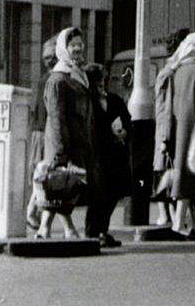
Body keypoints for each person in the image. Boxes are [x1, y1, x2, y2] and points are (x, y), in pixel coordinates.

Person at [35, 27, 98, 239]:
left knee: (64, 184)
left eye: (80, 44)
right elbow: (55, 117)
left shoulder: (76, 73)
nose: (78, 48)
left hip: (76, 139)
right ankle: (58, 229)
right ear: (64, 48)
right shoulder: (58, 79)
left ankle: (51, 228)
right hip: (63, 139)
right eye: (73, 45)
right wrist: (61, 148)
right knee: (62, 183)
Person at [84, 63, 131, 247]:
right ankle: (92, 233)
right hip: (97, 155)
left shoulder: (115, 100)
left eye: (103, 78)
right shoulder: (88, 102)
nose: (101, 83)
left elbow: (127, 120)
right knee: (98, 194)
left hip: (116, 155)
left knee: (113, 193)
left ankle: (103, 230)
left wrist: (125, 132)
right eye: (96, 80)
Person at [167, 32, 195, 238]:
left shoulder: (179, 71)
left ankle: (194, 223)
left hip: (180, 126)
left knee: (183, 172)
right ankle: (179, 222)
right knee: (193, 176)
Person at [152, 27, 191, 227]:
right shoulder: (170, 73)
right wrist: (165, 137)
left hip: (166, 127)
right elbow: (165, 108)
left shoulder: (170, 71)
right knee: (165, 170)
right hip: (167, 127)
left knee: (166, 171)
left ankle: (168, 214)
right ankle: (166, 215)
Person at [25, 37, 58, 229]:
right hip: (43, 133)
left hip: (41, 132)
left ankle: (34, 213)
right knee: (44, 174)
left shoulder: (46, 79)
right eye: (46, 58)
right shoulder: (48, 80)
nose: (49, 61)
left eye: (52, 57)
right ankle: (32, 212)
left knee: (43, 174)